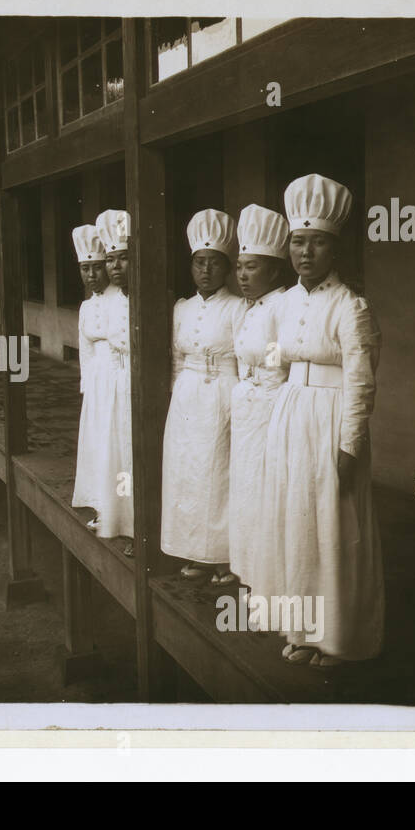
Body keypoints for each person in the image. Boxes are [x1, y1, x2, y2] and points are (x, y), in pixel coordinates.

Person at [264, 174, 383, 667]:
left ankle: (341, 638)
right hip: (292, 413)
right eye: (298, 242)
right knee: (296, 521)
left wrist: (348, 446)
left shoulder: (351, 307)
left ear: (333, 251)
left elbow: (361, 384)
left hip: (331, 418)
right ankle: (302, 629)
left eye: (316, 243)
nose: (305, 252)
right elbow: (277, 361)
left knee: (335, 524)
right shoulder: (285, 302)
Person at [161, 209, 247, 583]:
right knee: (188, 473)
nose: (206, 270)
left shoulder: (238, 307)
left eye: (214, 263)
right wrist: (176, 393)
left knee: (219, 474)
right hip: (186, 397)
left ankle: (223, 556)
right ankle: (193, 552)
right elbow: (177, 359)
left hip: (223, 395)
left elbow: (246, 362)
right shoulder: (182, 308)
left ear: (227, 268)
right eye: (199, 262)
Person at [226, 204, 291, 604]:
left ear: (274, 270)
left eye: (252, 267)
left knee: (269, 496)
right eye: (239, 266)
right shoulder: (250, 308)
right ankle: (249, 572)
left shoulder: (282, 306)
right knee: (246, 492)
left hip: (272, 409)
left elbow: (278, 365)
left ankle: (270, 580)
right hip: (248, 409)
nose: (243, 275)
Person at [93, 208, 133, 550]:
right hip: (116, 381)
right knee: (116, 450)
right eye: (110, 260)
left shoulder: (154, 297)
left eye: (122, 259)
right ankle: (118, 517)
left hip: (141, 385)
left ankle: (139, 526)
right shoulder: (108, 301)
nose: (115, 267)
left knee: (136, 455)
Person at [70, 223, 112, 529]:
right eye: (85, 269)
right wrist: (87, 385)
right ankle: (99, 504)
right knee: (97, 442)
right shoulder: (86, 307)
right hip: (97, 381)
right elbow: (85, 350)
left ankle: (117, 508)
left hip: (116, 377)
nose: (91, 276)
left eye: (97, 268)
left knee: (114, 444)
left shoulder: (119, 300)